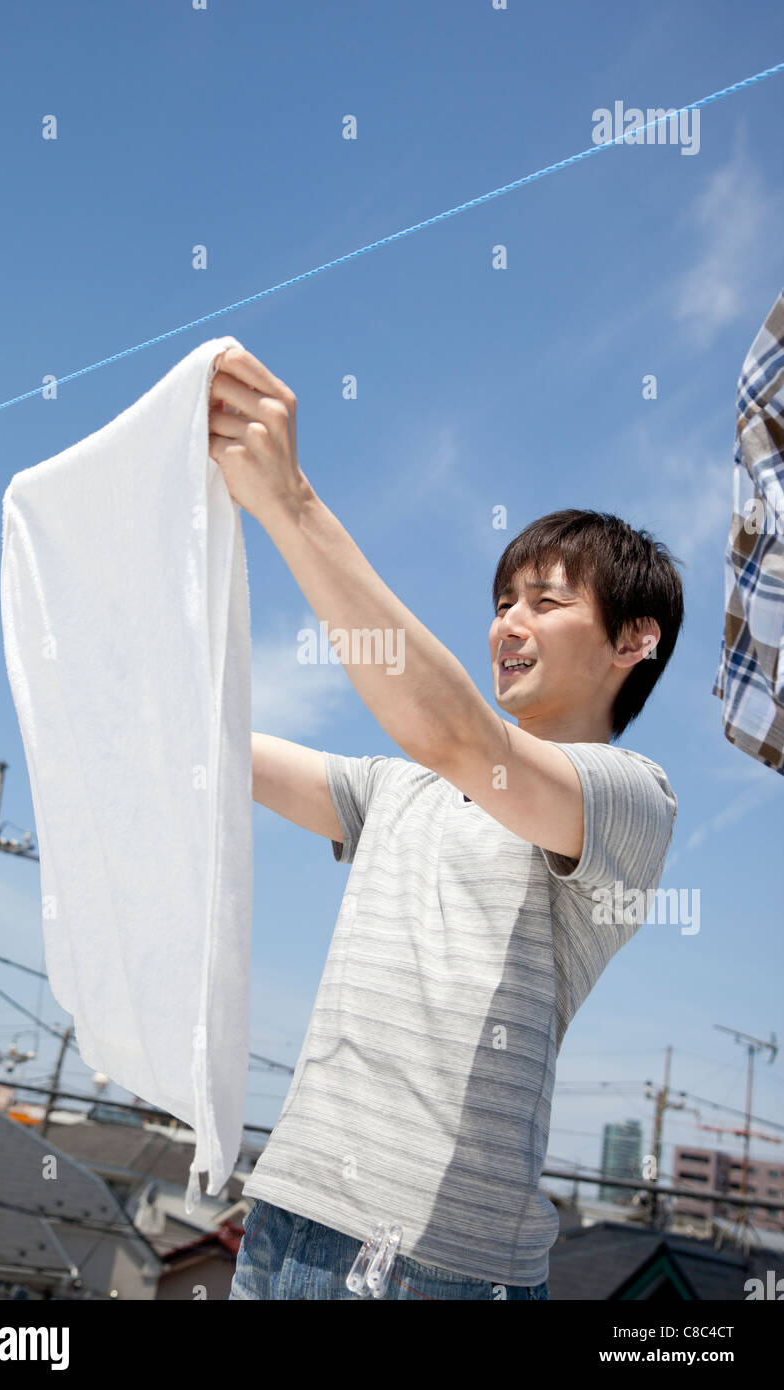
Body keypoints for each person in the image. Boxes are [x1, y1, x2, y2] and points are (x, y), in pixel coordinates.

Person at [208, 348, 683, 1300]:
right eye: (503, 601)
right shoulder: (402, 788)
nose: (508, 622)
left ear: (635, 640)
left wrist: (289, 503)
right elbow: (213, 746)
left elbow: (459, 735)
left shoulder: (630, 798)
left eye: (546, 602)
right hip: (285, 1220)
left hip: (434, 1265)